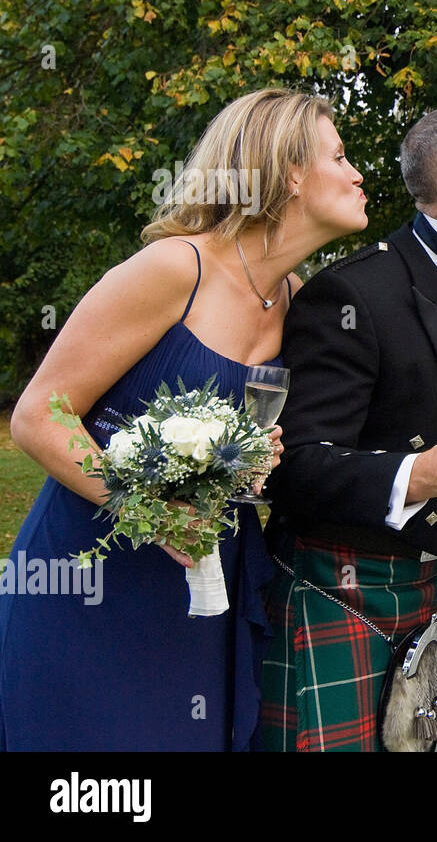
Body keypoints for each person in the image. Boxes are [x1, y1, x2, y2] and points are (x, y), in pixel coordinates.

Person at [0, 87, 363, 750]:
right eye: (339, 156)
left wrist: (254, 461)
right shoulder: (178, 268)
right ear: (288, 171)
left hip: (200, 590)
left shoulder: (297, 300)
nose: (357, 172)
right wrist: (148, 505)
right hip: (92, 579)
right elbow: (38, 414)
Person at [260, 101, 437, 751]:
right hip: (338, 587)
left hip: (428, 586)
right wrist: (426, 473)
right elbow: (292, 464)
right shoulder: (354, 294)